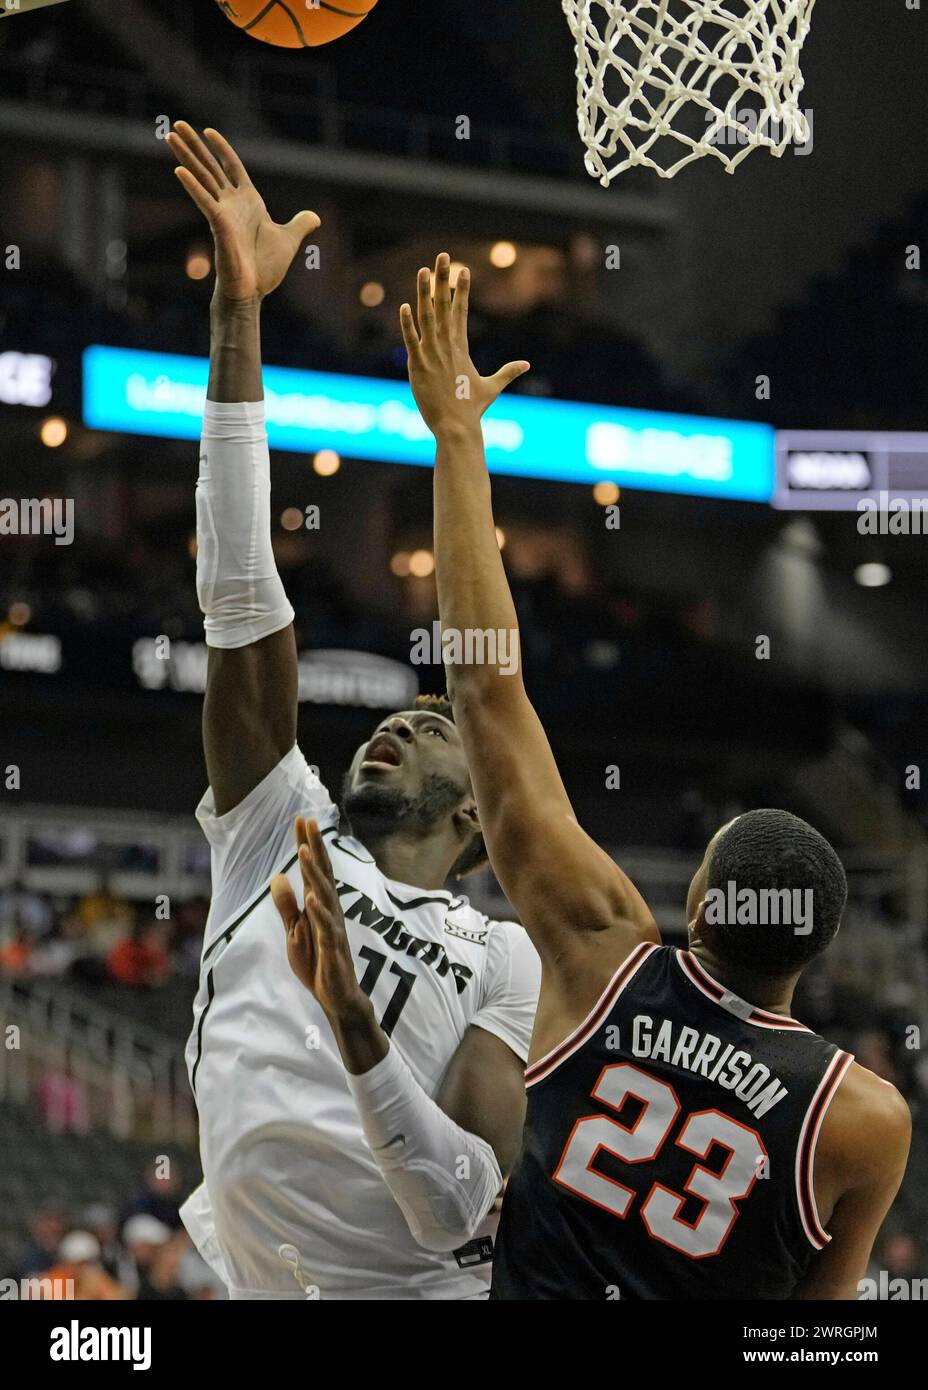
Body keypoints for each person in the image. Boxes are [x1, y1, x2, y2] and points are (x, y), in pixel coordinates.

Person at [392, 251, 912, 1299]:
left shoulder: (603, 958)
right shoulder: (861, 1117)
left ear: (702, 905)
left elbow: (487, 693)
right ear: (818, 942)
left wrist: (456, 439)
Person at [166, 123, 539, 1300]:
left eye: (436, 725)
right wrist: (238, 312)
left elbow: (461, 1212)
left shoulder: (503, 954)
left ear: (479, 818)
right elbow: (237, 595)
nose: (401, 725)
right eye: (404, 715)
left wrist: (355, 1026)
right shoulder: (280, 830)